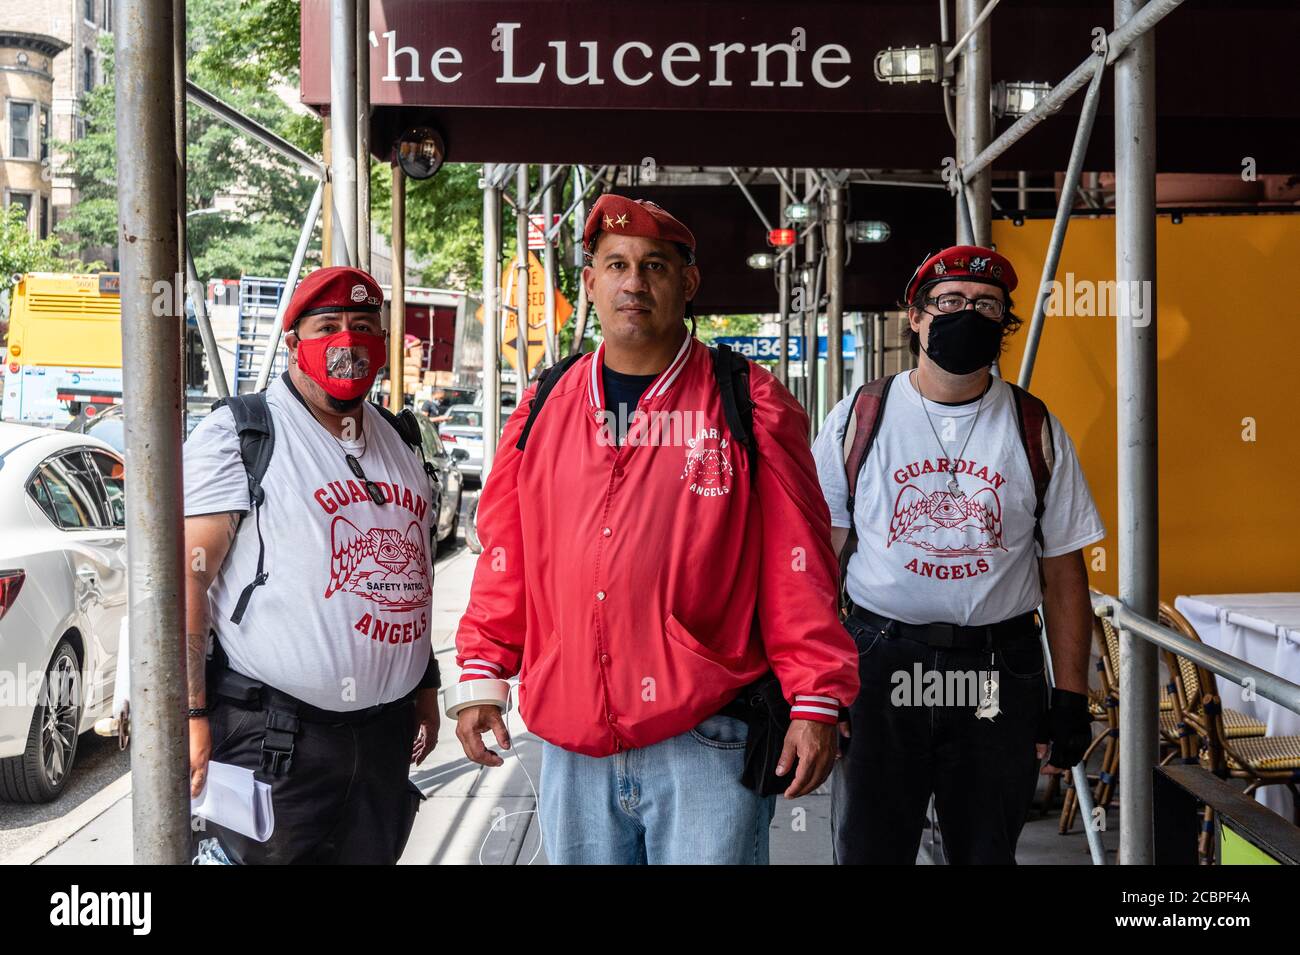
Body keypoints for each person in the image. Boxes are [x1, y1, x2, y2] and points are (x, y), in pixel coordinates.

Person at [451, 194, 859, 865]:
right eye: (615, 264)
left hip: (707, 736)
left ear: (688, 283)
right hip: (573, 742)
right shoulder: (544, 405)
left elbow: (798, 564)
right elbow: (507, 558)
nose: (633, 282)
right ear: (589, 282)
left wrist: (816, 698)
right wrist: (483, 673)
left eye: (654, 266)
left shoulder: (747, 403)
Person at [812, 245, 1104, 865]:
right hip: (881, 658)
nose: (966, 314)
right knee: (869, 847)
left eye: (986, 306)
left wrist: (1071, 694)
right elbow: (821, 555)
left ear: (1005, 324)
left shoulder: (1035, 427)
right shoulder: (859, 418)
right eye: (949, 302)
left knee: (986, 849)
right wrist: (816, 684)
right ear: (915, 318)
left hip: (998, 668)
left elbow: (1063, 572)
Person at [183, 266, 442, 865]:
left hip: (381, 743)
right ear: (294, 342)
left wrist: (424, 686)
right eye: (327, 326)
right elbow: (186, 581)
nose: (348, 340)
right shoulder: (244, 433)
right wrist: (191, 715)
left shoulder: (399, 441)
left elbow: (408, 578)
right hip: (273, 743)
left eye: (362, 326)